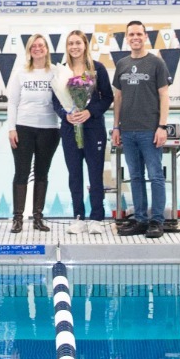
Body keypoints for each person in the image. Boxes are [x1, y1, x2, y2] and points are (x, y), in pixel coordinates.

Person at [111, 21, 172, 238]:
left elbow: (164, 95)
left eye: (139, 34)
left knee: (155, 176)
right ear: (126, 38)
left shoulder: (156, 63)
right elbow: (118, 97)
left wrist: (162, 126)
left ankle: (157, 221)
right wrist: (116, 127)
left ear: (145, 36)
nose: (135, 37)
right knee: (135, 177)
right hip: (128, 131)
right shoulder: (122, 64)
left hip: (149, 129)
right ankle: (140, 220)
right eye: (131, 34)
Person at [52, 29, 112, 225]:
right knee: (74, 175)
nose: (74, 47)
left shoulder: (97, 68)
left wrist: (90, 112)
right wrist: (66, 115)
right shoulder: (61, 71)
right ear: (67, 47)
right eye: (71, 43)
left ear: (85, 45)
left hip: (94, 129)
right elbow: (56, 101)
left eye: (78, 43)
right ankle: (78, 216)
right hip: (70, 129)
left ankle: (97, 217)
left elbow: (108, 97)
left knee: (95, 174)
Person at [7, 34, 62, 233]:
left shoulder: (56, 72)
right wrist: (11, 128)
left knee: (42, 173)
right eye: (33, 46)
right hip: (24, 127)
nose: (37, 49)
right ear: (29, 50)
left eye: (41, 45)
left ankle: (38, 217)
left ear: (47, 49)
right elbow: (12, 102)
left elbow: (64, 98)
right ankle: (18, 218)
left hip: (49, 128)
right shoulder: (21, 73)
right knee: (21, 172)